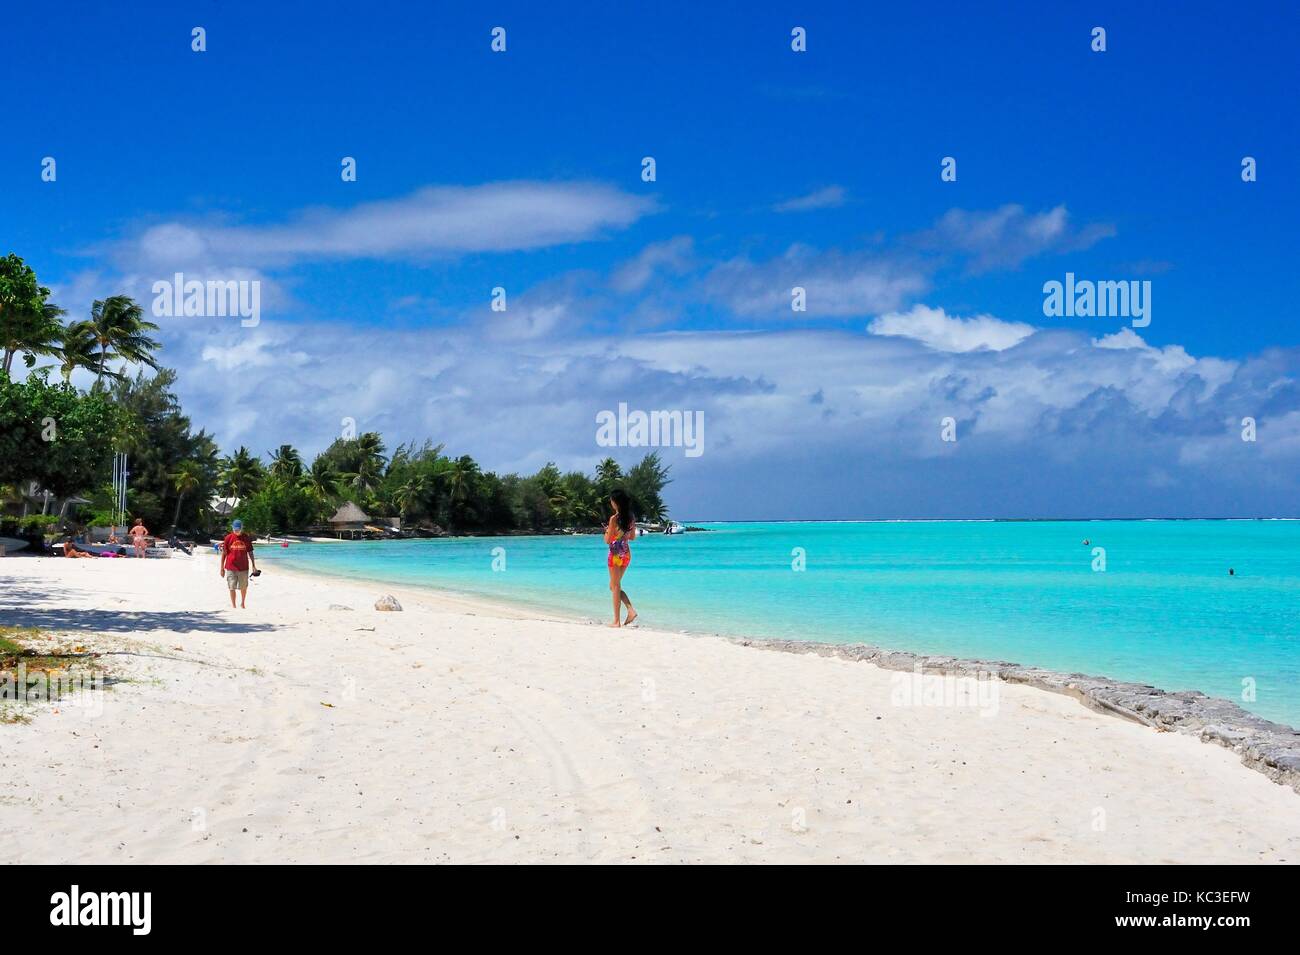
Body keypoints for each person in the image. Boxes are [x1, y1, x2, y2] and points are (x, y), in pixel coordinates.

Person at [604, 490, 638, 628]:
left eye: (612, 500)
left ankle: (617, 621)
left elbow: (607, 540)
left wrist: (608, 531)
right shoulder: (631, 517)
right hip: (626, 553)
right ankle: (630, 610)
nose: (611, 503)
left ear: (616, 502)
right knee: (614, 586)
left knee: (615, 586)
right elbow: (632, 537)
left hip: (615, 554)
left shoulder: (614, 519)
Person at [219, 519, 257, 608]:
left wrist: (253, 565)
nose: (236, 531)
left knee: (243, 587)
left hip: (243, 567)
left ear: (241, 528)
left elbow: (250, 552)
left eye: (238, 529)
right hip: (230, 566)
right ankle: (234, 605)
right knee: (231, 587)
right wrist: (221, 568)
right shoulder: (228, 538)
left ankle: (242, 603)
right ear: (232, 528)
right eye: (235, 529)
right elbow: (224, 553)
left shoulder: (246, 538)